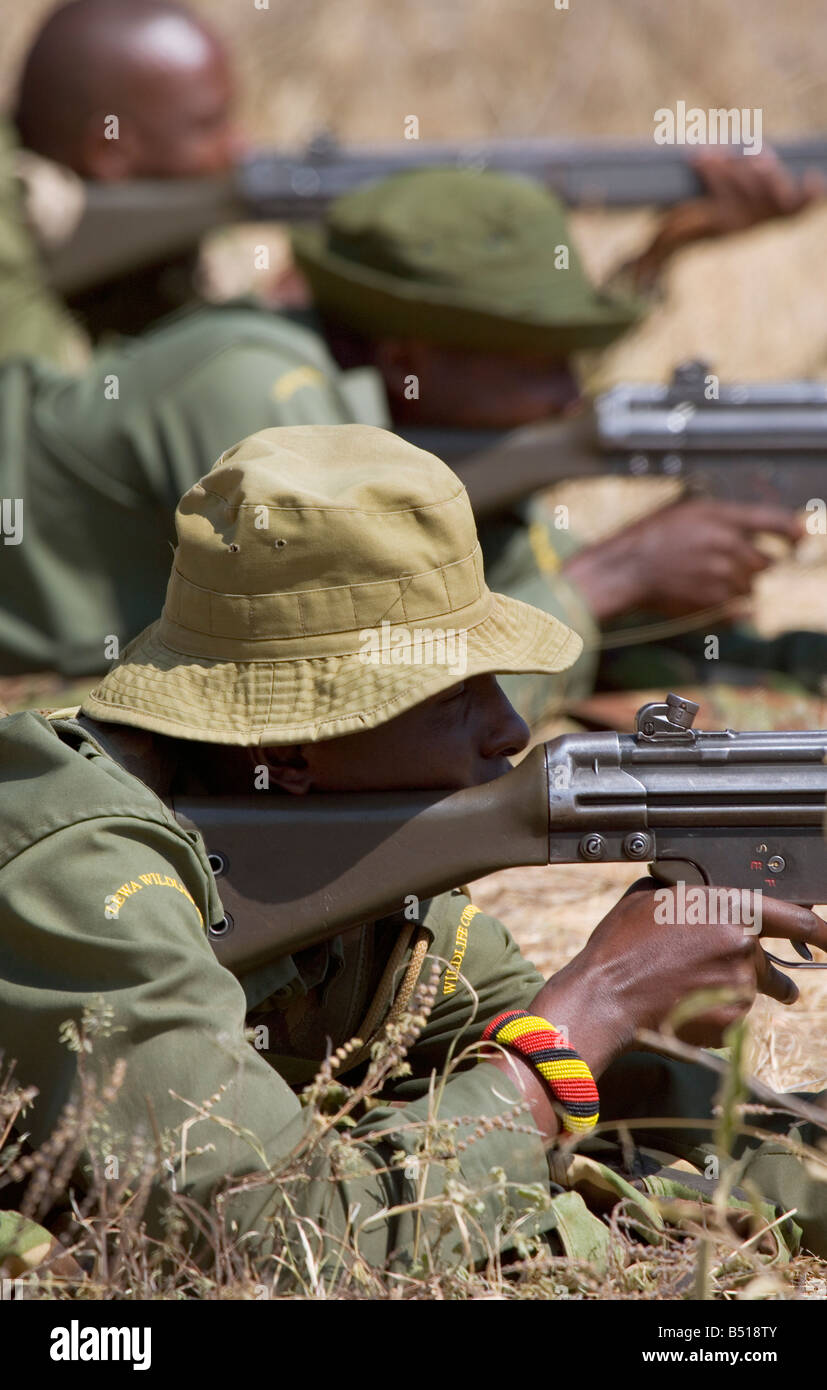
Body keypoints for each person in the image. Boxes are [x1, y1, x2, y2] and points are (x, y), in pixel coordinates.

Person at [2, 423, 826, 1278]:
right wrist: (601, 999)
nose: (510, 727)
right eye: (452, 695)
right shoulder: (80, 880)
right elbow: (276, 1245)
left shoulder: (363, 886)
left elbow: (637, 1115)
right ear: (286, 749)